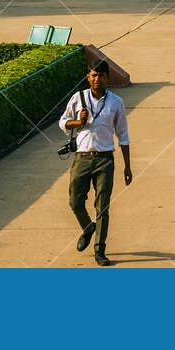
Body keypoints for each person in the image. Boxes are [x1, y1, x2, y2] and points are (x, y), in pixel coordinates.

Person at [60, 61, 132, 267]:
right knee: (75, 201)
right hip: (82, 158)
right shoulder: (78, 98)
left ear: (107, 78)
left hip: (105, 159)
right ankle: (88, 228)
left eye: (101, 75)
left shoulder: (116, 102)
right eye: (93, 75)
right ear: (88, 77)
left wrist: (127, 167)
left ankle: (100, 250)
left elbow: (123, 136)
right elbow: (62, 122)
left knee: (102, 207)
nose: (97, 79)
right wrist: (78, 122)